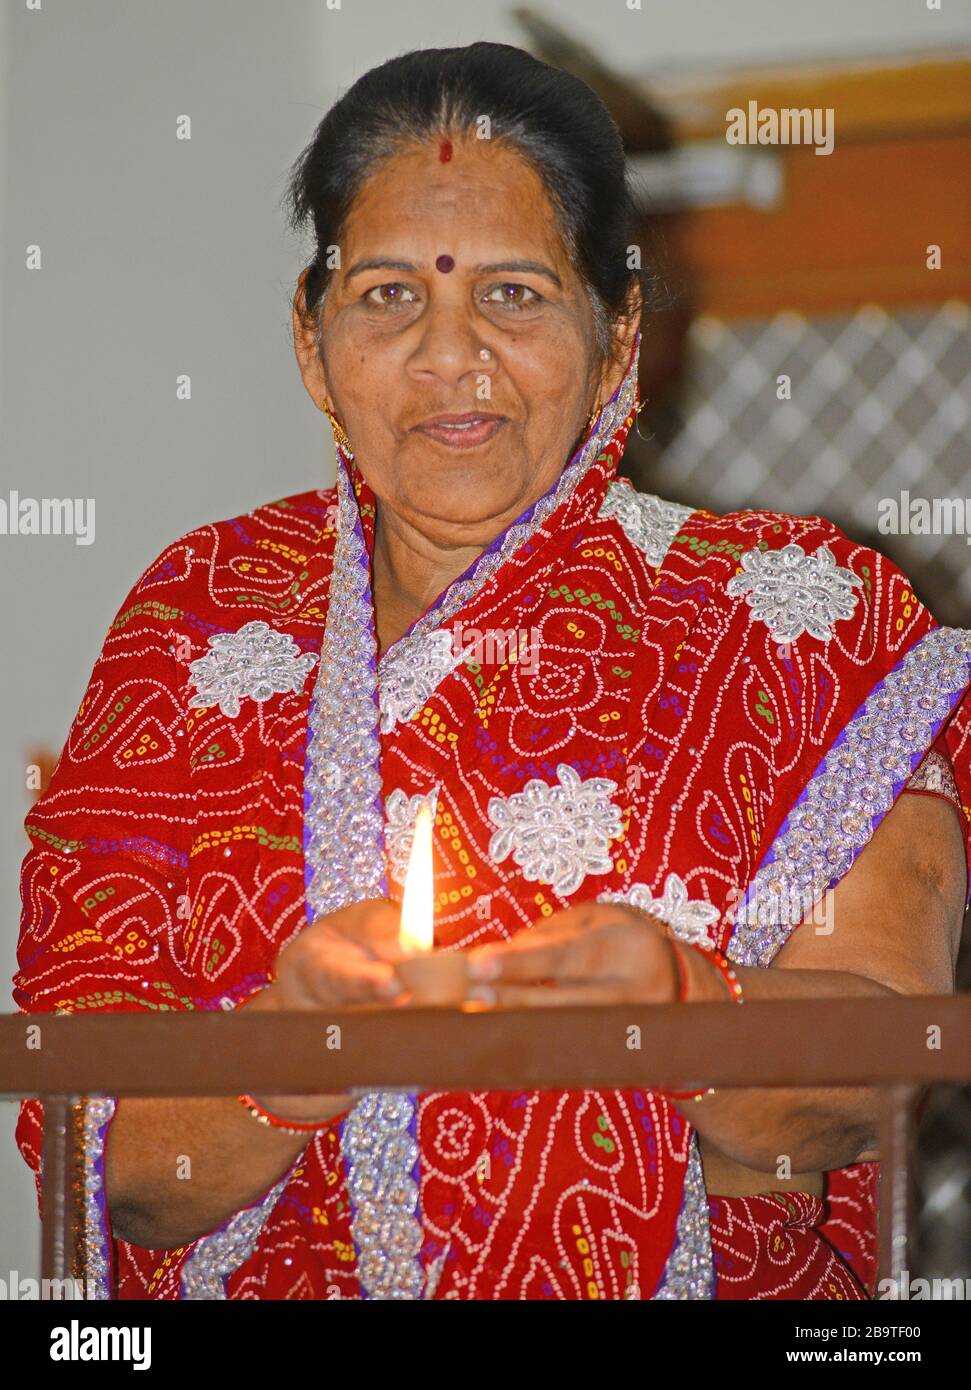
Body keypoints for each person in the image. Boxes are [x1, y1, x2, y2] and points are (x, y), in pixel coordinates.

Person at [14, 41, 971, 1301]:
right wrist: (290, 1058)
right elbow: (104, 1159)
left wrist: (682, 1004)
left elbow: (869, 1080)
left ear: (616, 326)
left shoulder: (810, 622)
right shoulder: (195, 617)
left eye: (513, 295)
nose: (447, 356)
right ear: (310, 339)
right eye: (388, 296)